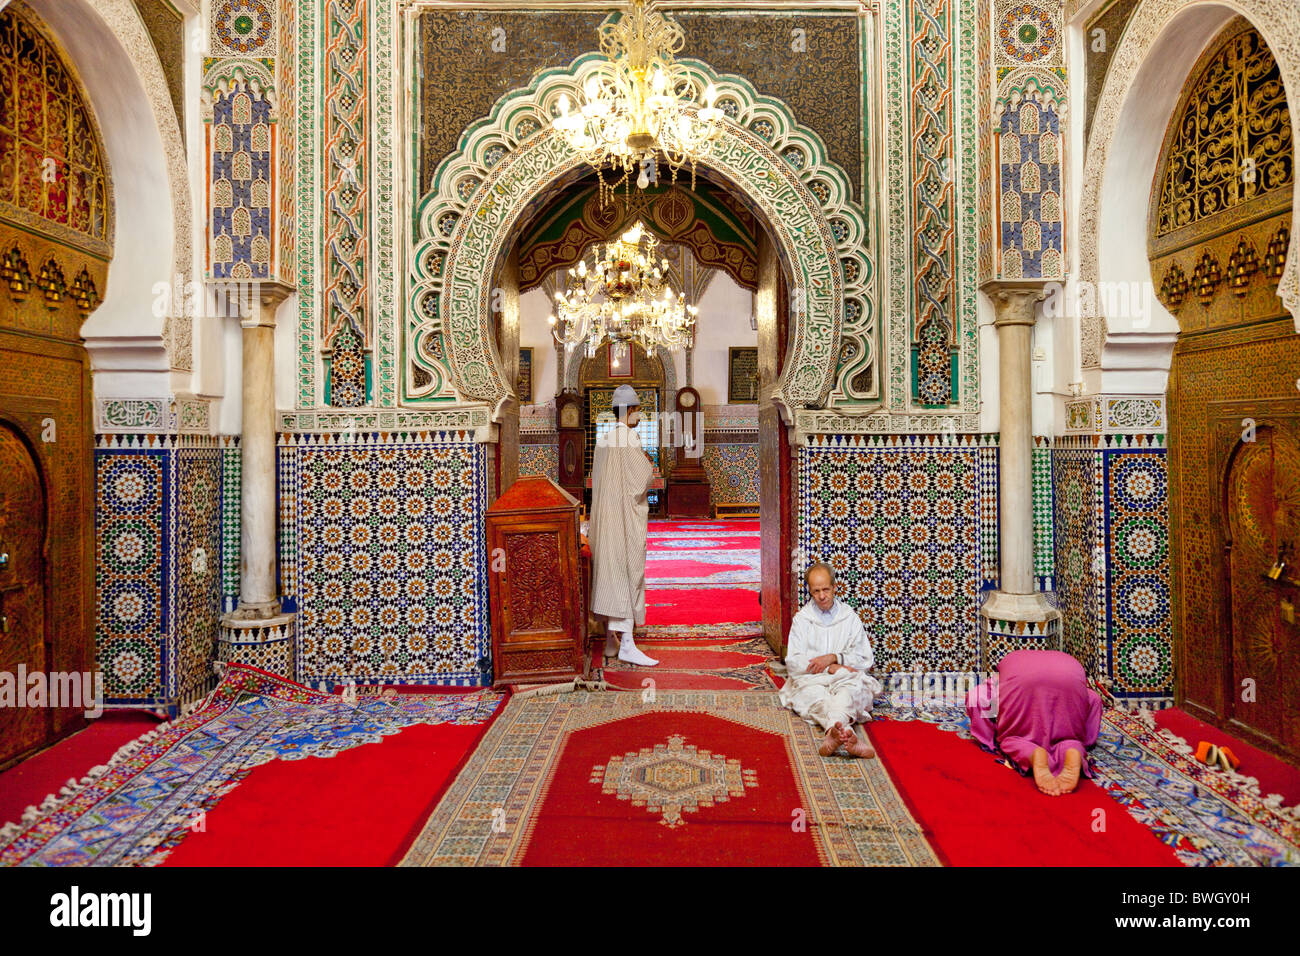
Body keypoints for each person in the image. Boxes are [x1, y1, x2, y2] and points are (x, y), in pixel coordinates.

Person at [964, 649, 1103, 796]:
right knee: (1069, 736)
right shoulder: (1061, 660)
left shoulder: (1001, 674)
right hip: (1070, 676)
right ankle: (1073, 747)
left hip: (1022, 681)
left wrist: (989, 739)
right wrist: (1085, 741)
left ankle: (1033, 753)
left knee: (1014, 739)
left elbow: (977, 699)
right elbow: (1094, 701)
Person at [779, 562, 881, 757]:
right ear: (810, 591)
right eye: (816, 591)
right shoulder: (803, 620)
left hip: (845, 678)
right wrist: (828, 668)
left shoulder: (848, 617)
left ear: (835, 587)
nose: (822, 596)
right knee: (817, 698)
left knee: (848, 693)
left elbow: (864, 658)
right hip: (812, 680)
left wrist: (835, 658)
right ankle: (847, 734)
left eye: (826, 589)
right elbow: (793, 663)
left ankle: (832, 733)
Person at [589, 384, 658, 667]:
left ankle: (609, 642)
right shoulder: (629, 437)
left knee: (609, 573)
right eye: (638, 410)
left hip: (604, 518)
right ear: (629, 411)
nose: (639, 416)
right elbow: (642, 480)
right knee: (628, 572)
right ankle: (627, 644)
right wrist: (648, 466)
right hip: (623, 518)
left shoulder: (604, 439)